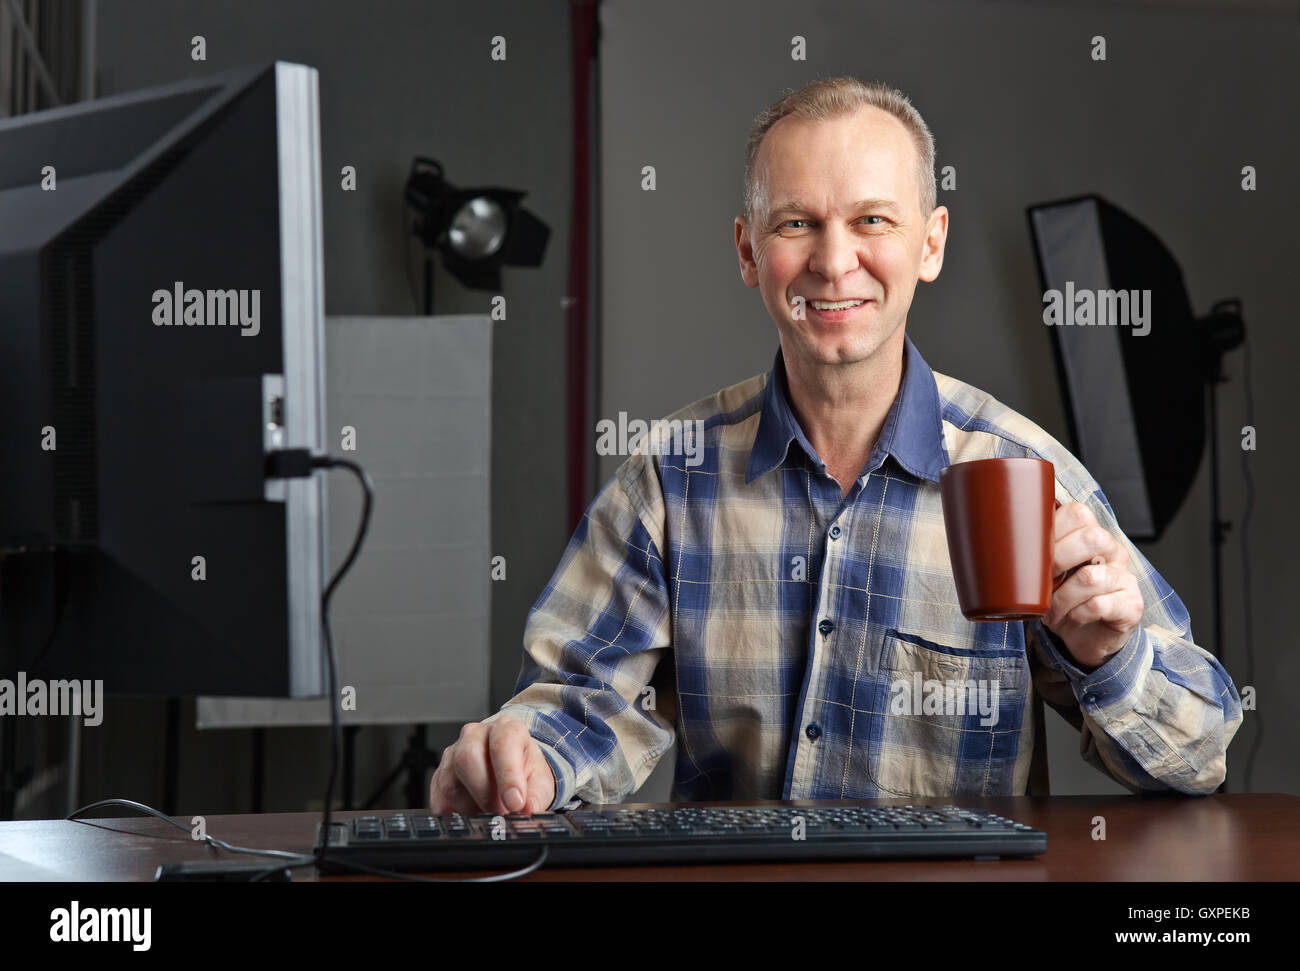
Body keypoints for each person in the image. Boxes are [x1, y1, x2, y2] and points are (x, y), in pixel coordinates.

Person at [429, 77, 1242, 817]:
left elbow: (1201, 755)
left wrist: (1113, 659)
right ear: (750, 250)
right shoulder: (670, 476)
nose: (833, 259)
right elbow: (580, 705)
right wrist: (520, 761)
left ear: (930, 244)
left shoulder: (1026, 475)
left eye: (873, 220)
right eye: (797, 223)